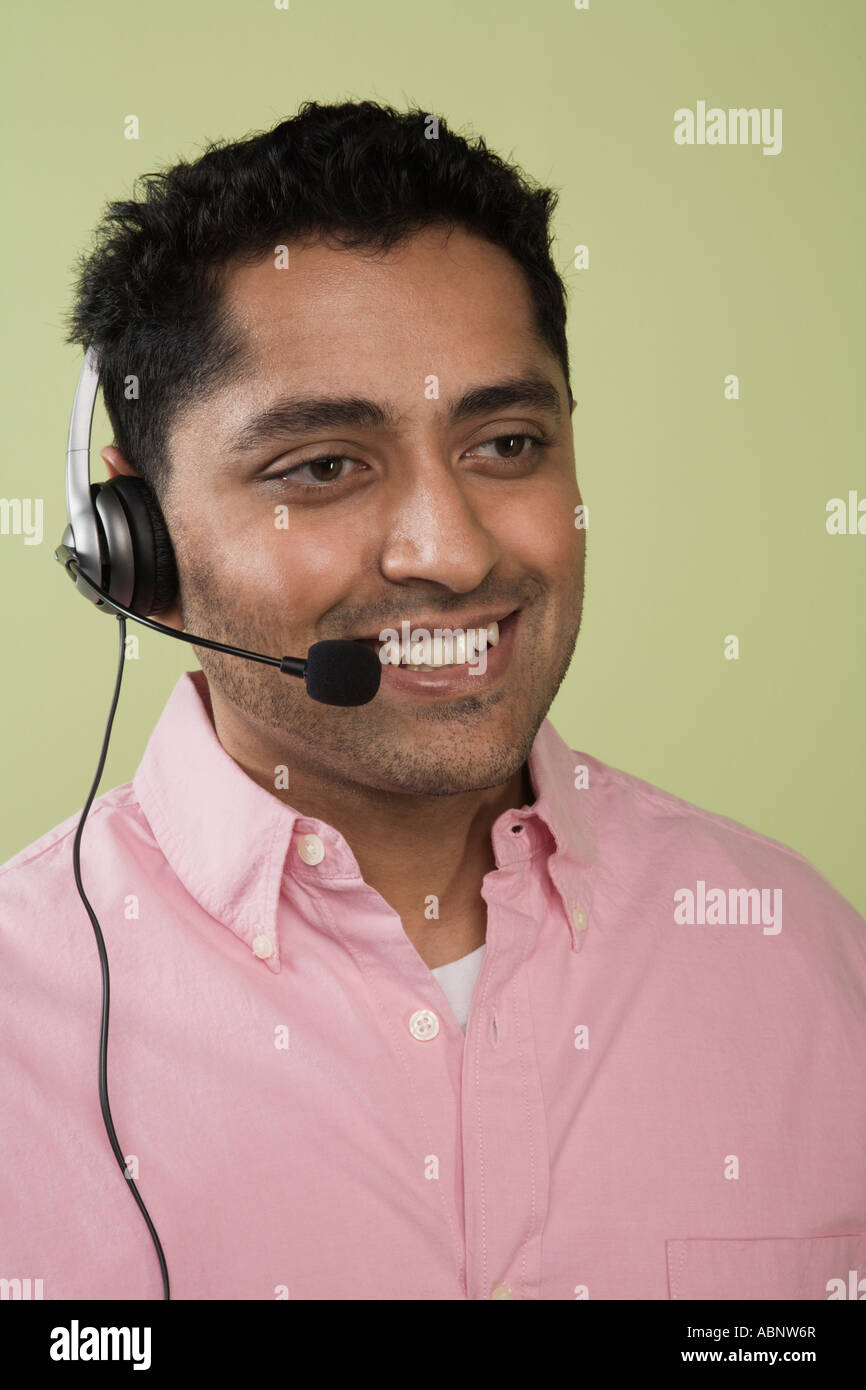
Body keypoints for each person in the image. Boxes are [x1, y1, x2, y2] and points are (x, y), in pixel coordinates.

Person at [1, 100, 863, 1302]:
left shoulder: (808, 961)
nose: (450, 552)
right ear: (133, 537)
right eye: (322, 467)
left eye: (505, 444)